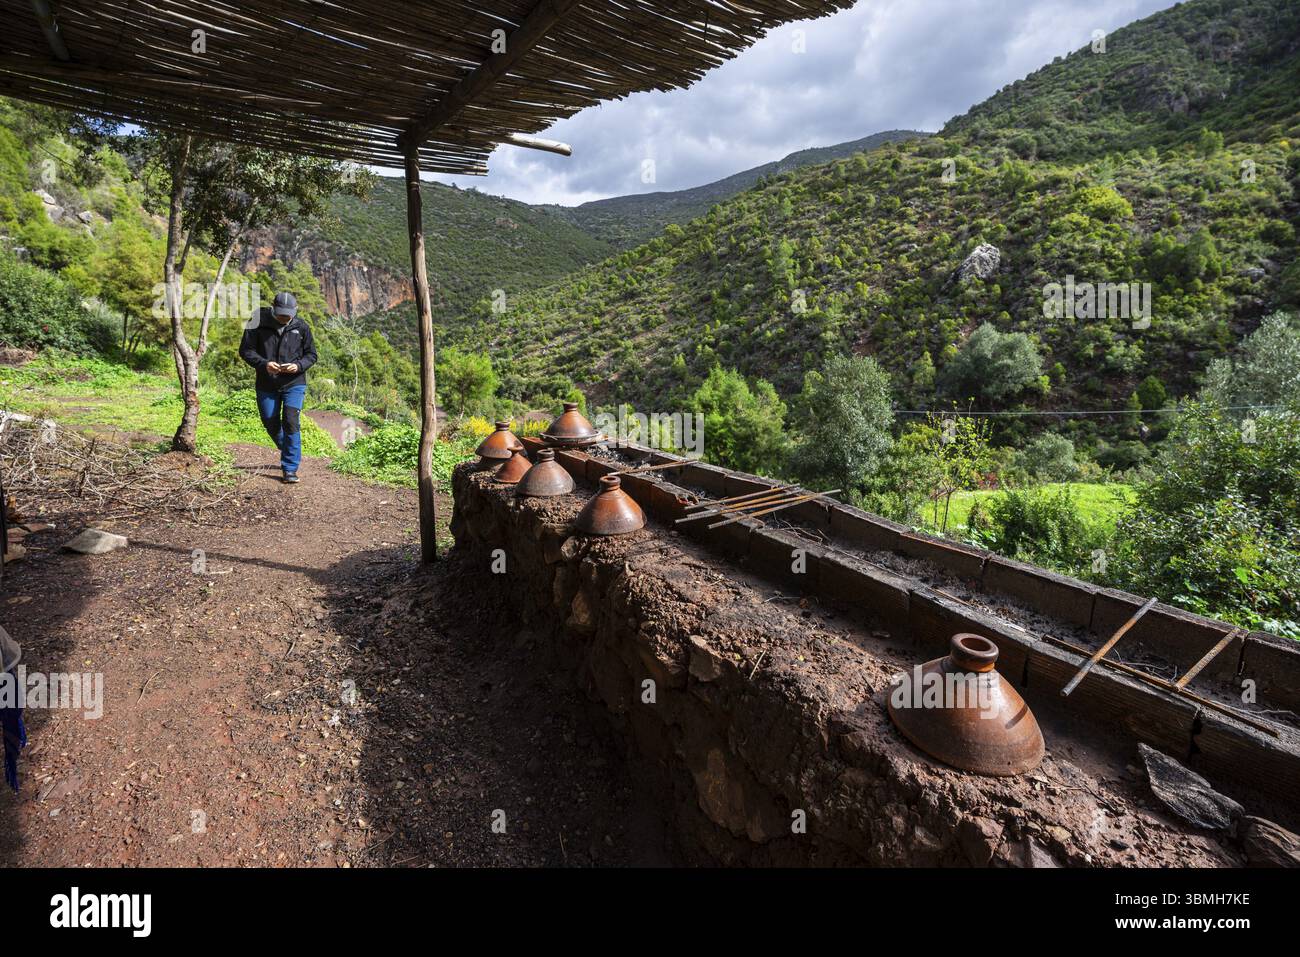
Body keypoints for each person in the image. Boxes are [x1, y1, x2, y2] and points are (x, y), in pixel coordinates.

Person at [239, 292, 317, 483]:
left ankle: (289, 468)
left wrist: (298, 366)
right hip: (267, 382)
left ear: (295, 311)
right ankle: (290, 449)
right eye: (281, 314)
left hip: (294, 383)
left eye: (288, 315)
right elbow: (246, 350)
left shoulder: (302, 327)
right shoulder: (257, 321)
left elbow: (311, 355)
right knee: (270, 422)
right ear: (273, 308)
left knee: (290, 421)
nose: (284, 318)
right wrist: (264, 363)